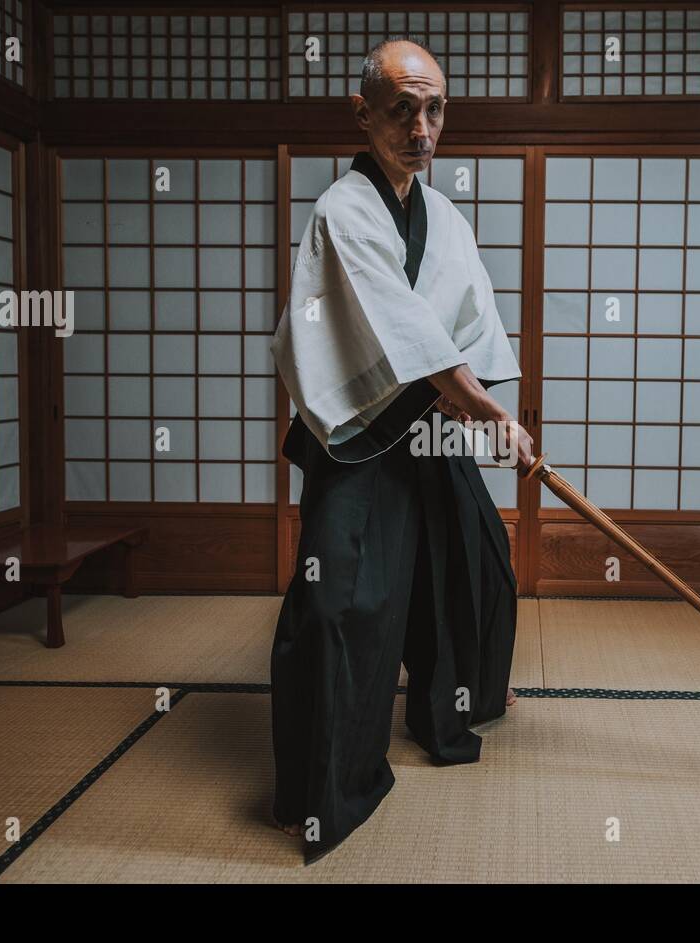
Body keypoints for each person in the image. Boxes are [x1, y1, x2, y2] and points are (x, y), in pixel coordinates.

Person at [268, 37, 535, 863]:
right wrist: (491, 414)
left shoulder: (445, 217)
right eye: (402, 109)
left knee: (477, 560)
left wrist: (477, 411)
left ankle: (446, 706)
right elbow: (405, 327)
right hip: (358, 431)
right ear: (363, 113)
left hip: (427, 419)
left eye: (436, 109)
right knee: (335, 602)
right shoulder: (342, 210)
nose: (422, 127)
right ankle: (329, 782)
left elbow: (471, 322)